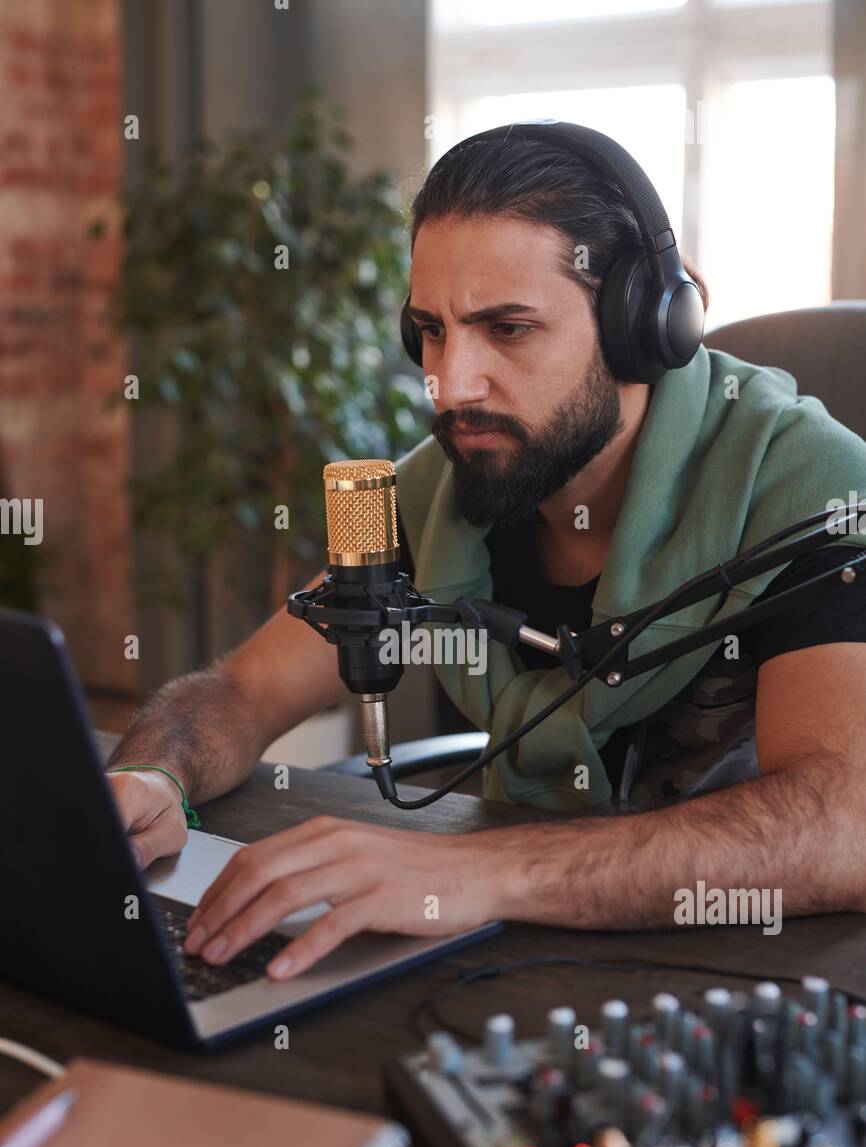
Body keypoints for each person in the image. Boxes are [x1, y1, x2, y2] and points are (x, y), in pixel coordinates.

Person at [106, 127, 866, 982]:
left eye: (507, 328)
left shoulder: (810, 487)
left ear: (646, 326)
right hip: (511, 964)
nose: (451, 383)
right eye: (430, 331)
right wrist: (152, 775)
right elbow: (242, 691)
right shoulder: (441, 489)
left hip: (752, 979)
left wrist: (473, 871)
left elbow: (841, 826)